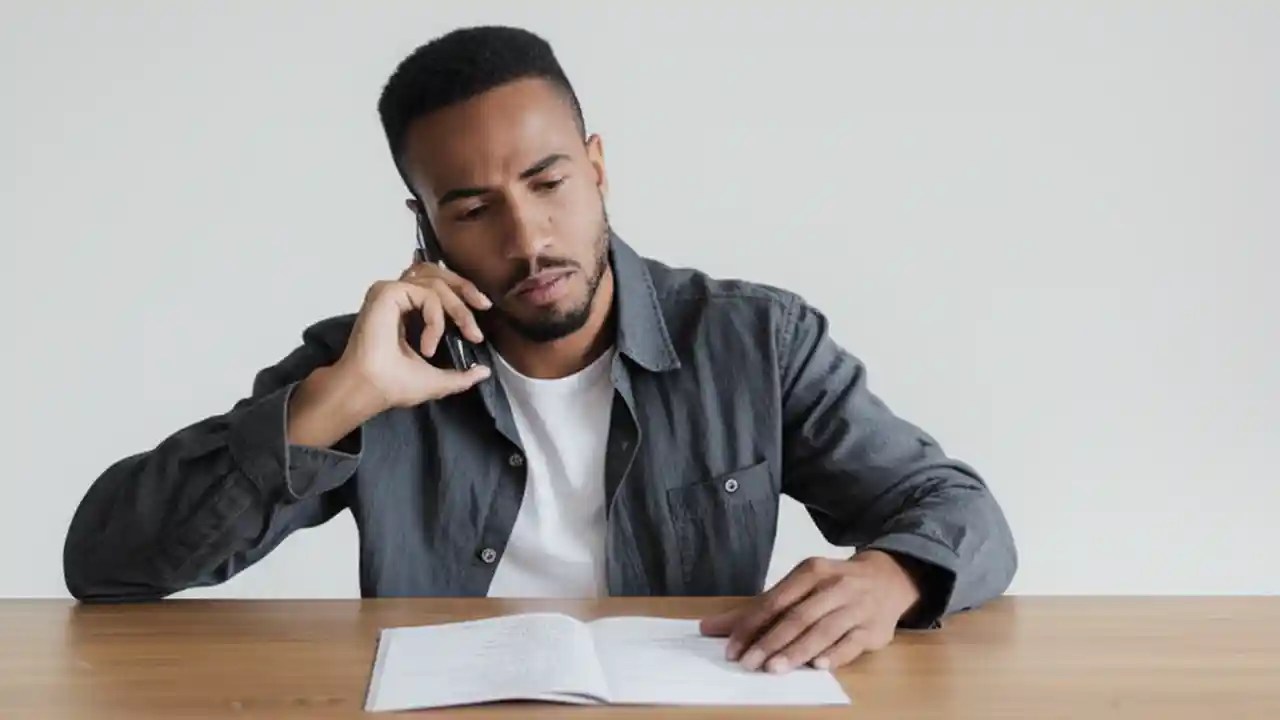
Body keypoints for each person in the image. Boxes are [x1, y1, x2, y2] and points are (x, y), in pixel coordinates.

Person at [63, 25, 1016, 673]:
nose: (528, 240)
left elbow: (960, 511)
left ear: (597, 169)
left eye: (549, 182)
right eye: (473, 209)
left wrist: (892, 577)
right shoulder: (370, 360)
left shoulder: (755, 341)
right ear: (424, 226)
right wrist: (336, 402)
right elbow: (107, 564)